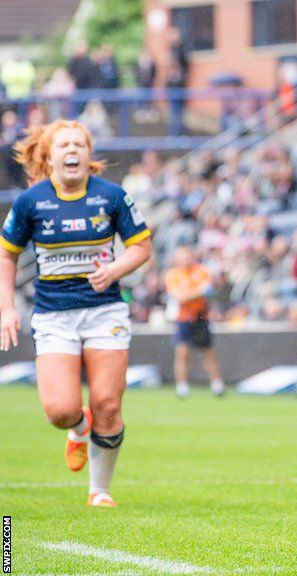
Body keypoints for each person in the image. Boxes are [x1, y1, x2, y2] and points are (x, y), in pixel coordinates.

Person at [0, 120, 153, 507]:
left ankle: (99, 490)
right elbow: (7, 254)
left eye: (79, 144)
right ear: (49, 157)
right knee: (60, 411)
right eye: (64, 144)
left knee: (109, 402)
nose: (73, 150)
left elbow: (141, 246)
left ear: (88, 154)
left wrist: (115, 270)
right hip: (54, 315)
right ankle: (79, 426)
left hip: (105, 311)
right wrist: (6, 308)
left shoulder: (112, 196)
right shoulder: (30, 202)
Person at [164, 245, 225, 398]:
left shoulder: (201, 271)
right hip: (184, 318)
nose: (185, 260)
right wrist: (196, 293)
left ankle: (217, 384)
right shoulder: (173, 274)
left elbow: (208, 291)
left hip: (200, 316)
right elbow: (180, 297)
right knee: (182, 352)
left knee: (208, 351)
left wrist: (189, 295)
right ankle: (182, 386)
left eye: (187, 256)